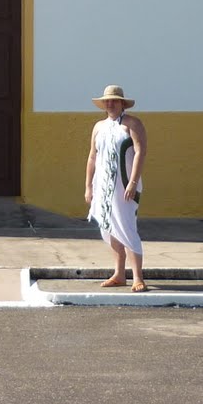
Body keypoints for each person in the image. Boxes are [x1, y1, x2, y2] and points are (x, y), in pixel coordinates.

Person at [85, 84, 147, 292]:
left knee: (127, 226)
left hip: (124, 185)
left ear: (122, 103)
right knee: (109, 228)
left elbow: (140, 152)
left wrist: (132, 181)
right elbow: (92, 156)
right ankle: (119, 273)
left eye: (114, 100)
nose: (110, 104)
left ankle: (137, 277)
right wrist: (88, 186)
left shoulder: (132, 124)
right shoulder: (99, 127)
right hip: (103, 186)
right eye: (107, 101)